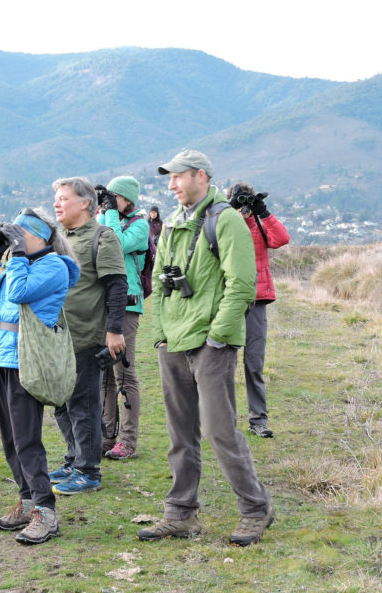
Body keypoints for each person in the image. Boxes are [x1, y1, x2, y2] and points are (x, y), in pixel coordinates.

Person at [137, 149, 274, 547]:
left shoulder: (225, 220)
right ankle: (180, 514)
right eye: (169, 179)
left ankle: (255, 508)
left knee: (218, 431)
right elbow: (160, 284)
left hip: (211, 344)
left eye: (177, 177)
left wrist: (218, 336)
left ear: (200, 176)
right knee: (180, 434)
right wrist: (161, 335)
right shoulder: (175, 223)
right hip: (174, 343)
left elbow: (242, 285)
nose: (171, 185)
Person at [0, 208, 80, 544]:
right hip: (3, 357)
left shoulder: (52, 266)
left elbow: (18, 294)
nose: (14, 240)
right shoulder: (19, 264)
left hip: (28, 359)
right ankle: (27, 500)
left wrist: (17, 253)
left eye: (20, 234)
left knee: (26, 438)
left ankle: (45, 512)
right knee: (10, 437)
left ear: (38, 236)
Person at [49, 177, 127, 495]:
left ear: (84, 203)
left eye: (64, 198)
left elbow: (117, 285)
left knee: (83, 404)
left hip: (86, 336)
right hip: (57, 338)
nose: (57, 203)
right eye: (56, 198)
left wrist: (114, 331)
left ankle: (88, 471)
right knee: (61, 404)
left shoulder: (102, 236)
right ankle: (73, 459)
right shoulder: (57, 238)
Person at [228, 182, 290, 439]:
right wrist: (230, 211)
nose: (244, 205)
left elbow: (281, 239)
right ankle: (225, 422)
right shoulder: (226, 221)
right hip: (230, 300)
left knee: (254, 363)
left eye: (247, 200)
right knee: (224, 364)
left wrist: (261, 212)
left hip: (257, 299)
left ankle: (258, 420)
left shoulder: (259, 223)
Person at [96, 176, 149, 460]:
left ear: (128, 198)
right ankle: (107, 436)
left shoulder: (140, 225)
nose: (109, 201)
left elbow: (114, 244)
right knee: (104, 374)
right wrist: (102, 210)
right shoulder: (106, 216)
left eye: (114, 196)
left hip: (127, 305)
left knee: (123, 374)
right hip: (103, 303)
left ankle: (127, 441)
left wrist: (111, 213)